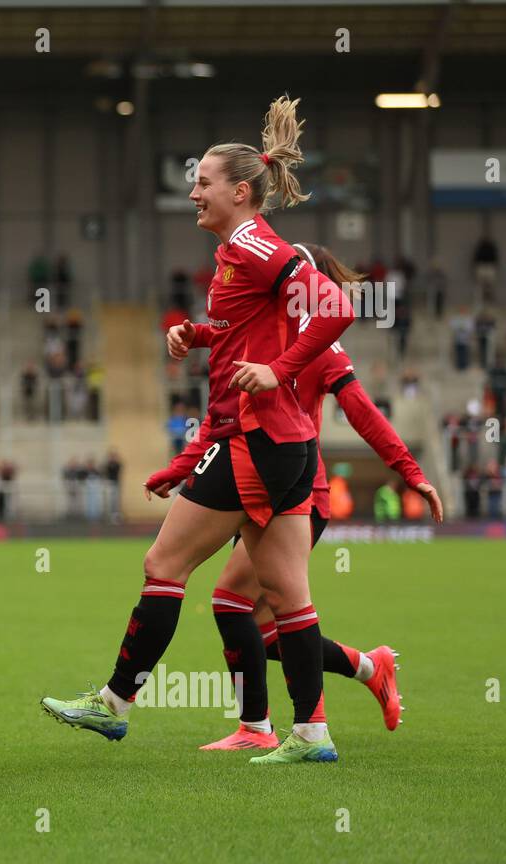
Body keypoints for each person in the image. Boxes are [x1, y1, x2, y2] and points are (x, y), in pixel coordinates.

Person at [41, 95, 357, 765]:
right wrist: (203, 332)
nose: (193, 193)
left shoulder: (253, 242)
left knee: (163, 564)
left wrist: (276, 371)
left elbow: (335, 307)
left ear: (240, 191)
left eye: (203, 182)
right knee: (286, 595)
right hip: (291, 444)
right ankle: (311, 734)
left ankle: (115, 703)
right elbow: (255, 322)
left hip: (259, 439)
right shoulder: (237, 252)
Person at [143, 242, 442, 748]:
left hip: (301, 492)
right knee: (258, 619)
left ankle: (274, 726)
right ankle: (361, 673)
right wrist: (182, 463)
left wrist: (409, 471)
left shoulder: (319, 350)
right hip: (253, 475)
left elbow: (362, 412)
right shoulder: (263, 336)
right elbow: (225, 414)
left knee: (239, 605)